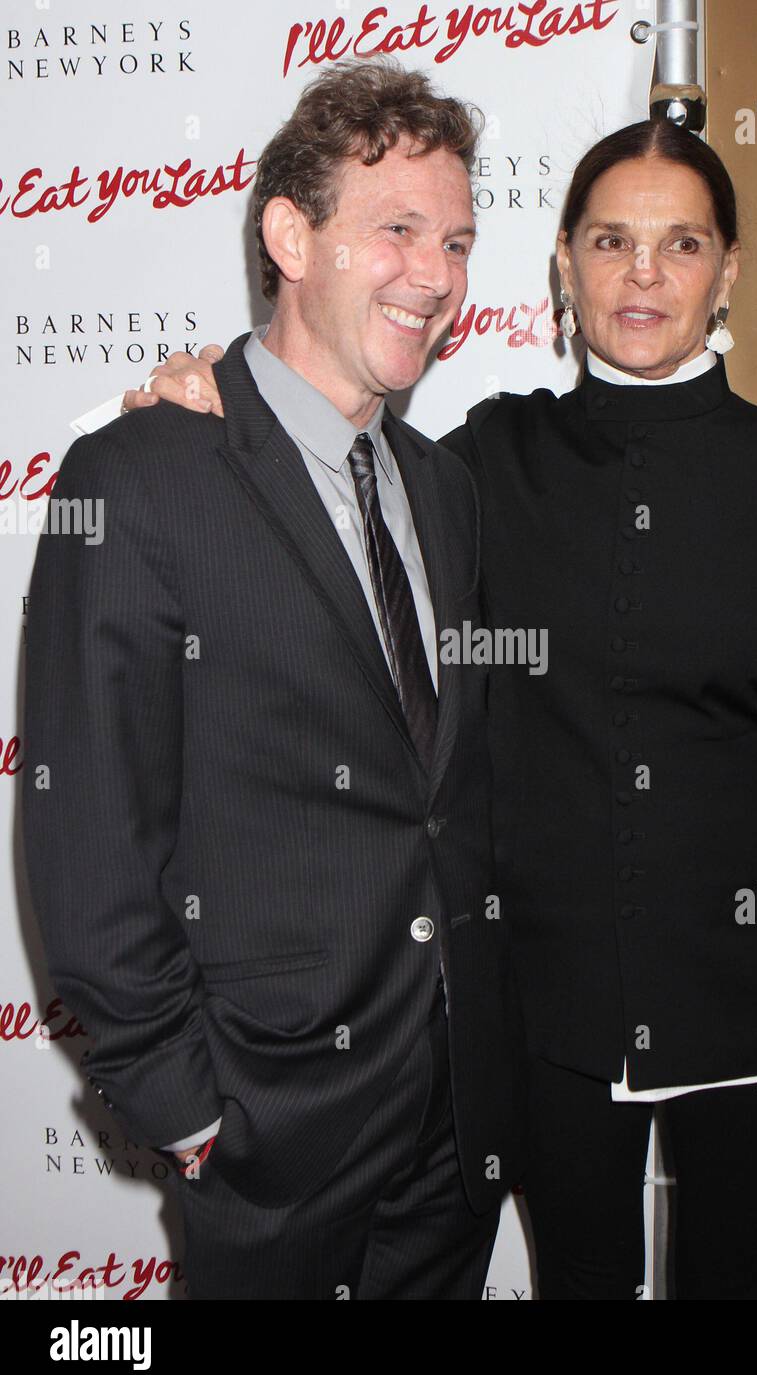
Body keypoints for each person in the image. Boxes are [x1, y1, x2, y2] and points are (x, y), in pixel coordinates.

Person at [112, 120, 757, 1299]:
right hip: (544, 1011)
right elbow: (324, 485)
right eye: (610, 240)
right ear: (563, 261)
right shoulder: (479, 461)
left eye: (681, 243)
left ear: (728, 269)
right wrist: (210, 399)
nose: (642, 273)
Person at [22, 60, 526, 1301]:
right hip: (269, 1123)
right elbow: (88, 835)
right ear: (289, 235)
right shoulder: (137, 476)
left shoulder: (444, 488)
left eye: (456, 240)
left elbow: (442, 797)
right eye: (396, 230)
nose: (436, 274)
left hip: (455, 1119)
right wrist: (182, 1105)